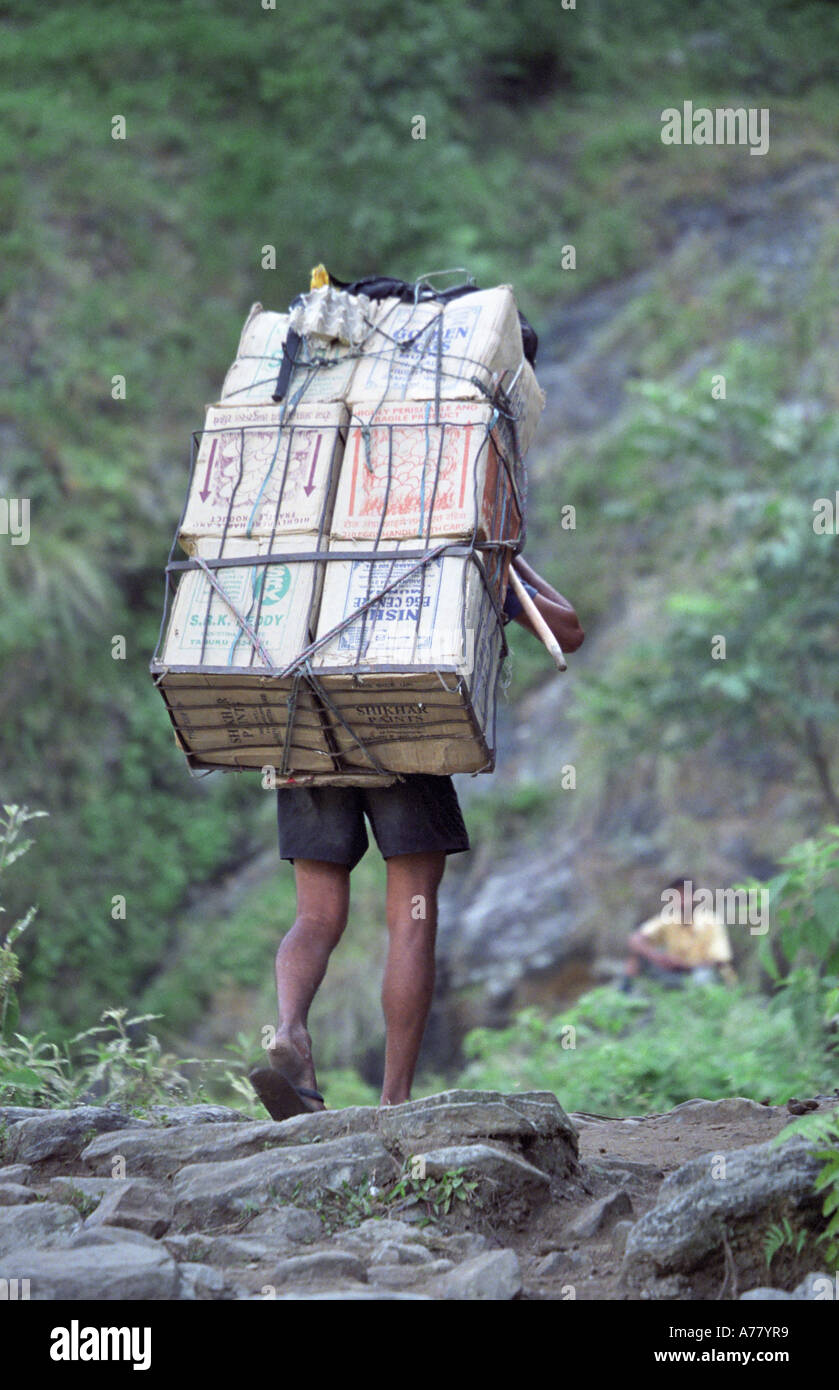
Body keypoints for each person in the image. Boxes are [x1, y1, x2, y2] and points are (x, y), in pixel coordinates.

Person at [250, 554, 584, 1119]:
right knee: (412, 917)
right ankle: (394, 1100)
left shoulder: (316, 546)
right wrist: (513, 561)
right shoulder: (453, 543)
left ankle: (290, 1032)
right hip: (403, 724)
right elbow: (568, 630)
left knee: (315, 916)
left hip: (307, 721)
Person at [621, 876, 737, 992]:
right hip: (675, 971)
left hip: (702, 972)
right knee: (636, 956)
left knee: (702, 977)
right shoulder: (668, 919)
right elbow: (635, 939)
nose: (681, 901)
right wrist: (657, 957)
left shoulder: (711, 921)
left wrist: (684, 964)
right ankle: (623, 996)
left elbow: (718, 961)